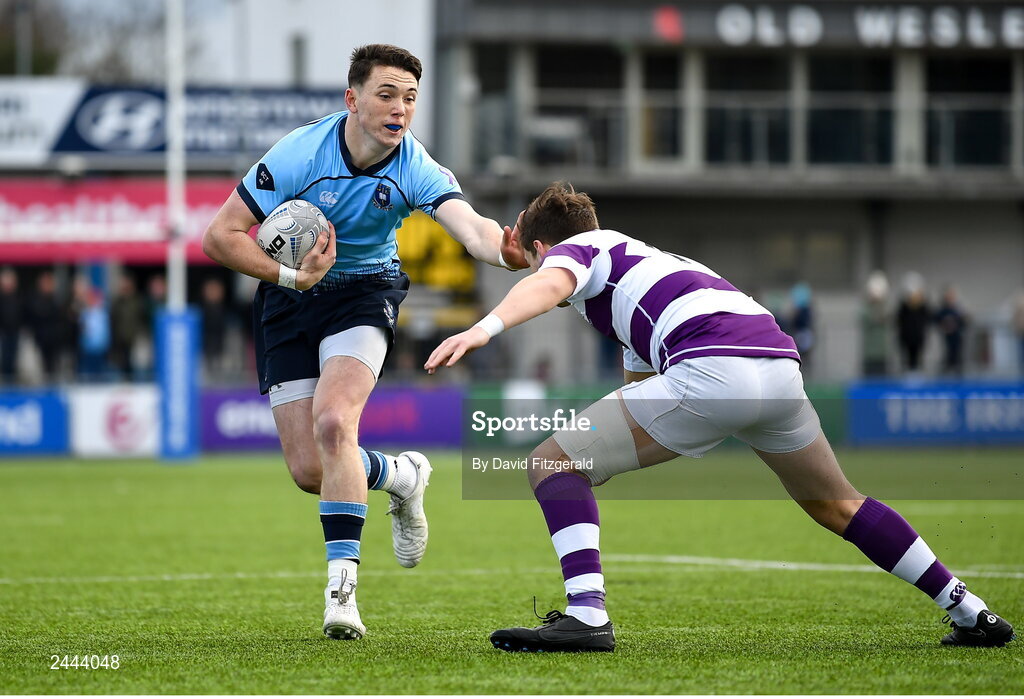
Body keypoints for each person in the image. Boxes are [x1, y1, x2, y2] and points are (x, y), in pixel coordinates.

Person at [425, 182, 1015, 653]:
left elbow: (550, 283)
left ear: (539, 248)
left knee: (551, 463)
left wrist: (482, 329)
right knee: (838, 504)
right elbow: (639, 390)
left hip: (713, 368)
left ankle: (586, 616)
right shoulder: (642, 269)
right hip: (779, 367)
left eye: (528, 259)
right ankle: (970, 611)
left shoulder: (580, 250)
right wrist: (626, 450)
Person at [202, 44, 526, 641]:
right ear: (352, 99)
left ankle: (342, 593)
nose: (399, 108)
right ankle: (400, 475)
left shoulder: (415, 167)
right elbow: (220, 237)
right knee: (308, 470)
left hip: (364, 293)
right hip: (288, 296)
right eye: (385, 95)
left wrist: (502, 252)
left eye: (409, 98)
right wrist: (290, 275)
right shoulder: (300, 154)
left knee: (334, 426)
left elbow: (472, 226)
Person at [896, 273, 930, 375]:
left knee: (918, 360)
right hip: (906, 338)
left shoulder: (923, 307)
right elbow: (898, 320)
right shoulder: (903, 307)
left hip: (918, 337)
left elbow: (928, 318)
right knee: (907, 360)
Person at [934, 285, 968, 376]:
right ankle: (947, 368)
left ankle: (958, 369)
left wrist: (958, 325)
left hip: (957, 336)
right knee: (947, 352)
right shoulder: (942, 309)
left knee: (957, 352)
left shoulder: (958, 308)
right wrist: (943, 326)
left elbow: (964, 321)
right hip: (946, 336)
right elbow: (936, 320)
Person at [0, 267, 21, 384]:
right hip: (3, 334)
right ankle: (5, 383)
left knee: (15, 359)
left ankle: (12, 383)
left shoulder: (18, 297)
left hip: (15, 333)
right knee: (4, 360)